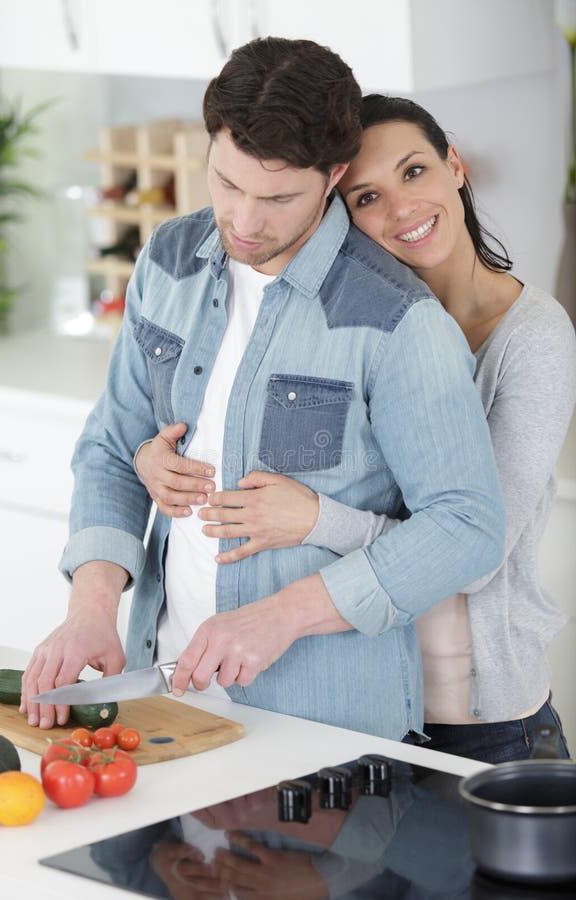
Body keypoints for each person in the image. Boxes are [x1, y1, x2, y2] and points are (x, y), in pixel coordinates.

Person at [21, 41, 505, 742]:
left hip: (319, 726)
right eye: (226, 184)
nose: (244, 221)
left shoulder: (396, 319)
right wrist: (92, 605)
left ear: (334, 174)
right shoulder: (168, 261)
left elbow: (467, 528)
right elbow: (110, 444)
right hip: (162, 705)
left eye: (277, 197)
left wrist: (284, 615)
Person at [139, 93, 575, 763]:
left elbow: (475, 553)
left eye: (414, 171)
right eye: (366, 198)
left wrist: (316, 519)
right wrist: (154, 454)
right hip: (350, 696)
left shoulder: (535, 338)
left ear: (454, 165)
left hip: (474, 717)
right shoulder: (347, 326)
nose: (401, 209)